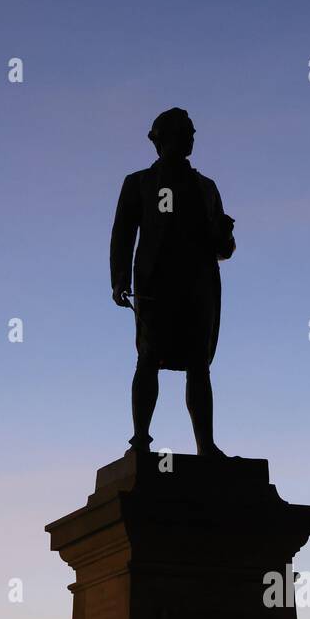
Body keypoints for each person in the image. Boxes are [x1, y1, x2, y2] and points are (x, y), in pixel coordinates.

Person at [110, 108, 236, 456]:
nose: (190, 138)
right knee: (149, 358)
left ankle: (205, 445)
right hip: (157, 282)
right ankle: (140, 440)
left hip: (198, 285)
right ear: (161, 139)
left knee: (199, 365)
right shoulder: (138, 183)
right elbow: (123, 233)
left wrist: (225, 234)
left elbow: (223, 248)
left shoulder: (207, 187)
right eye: (183, 132)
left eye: (192, 132)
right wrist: (119, 277)